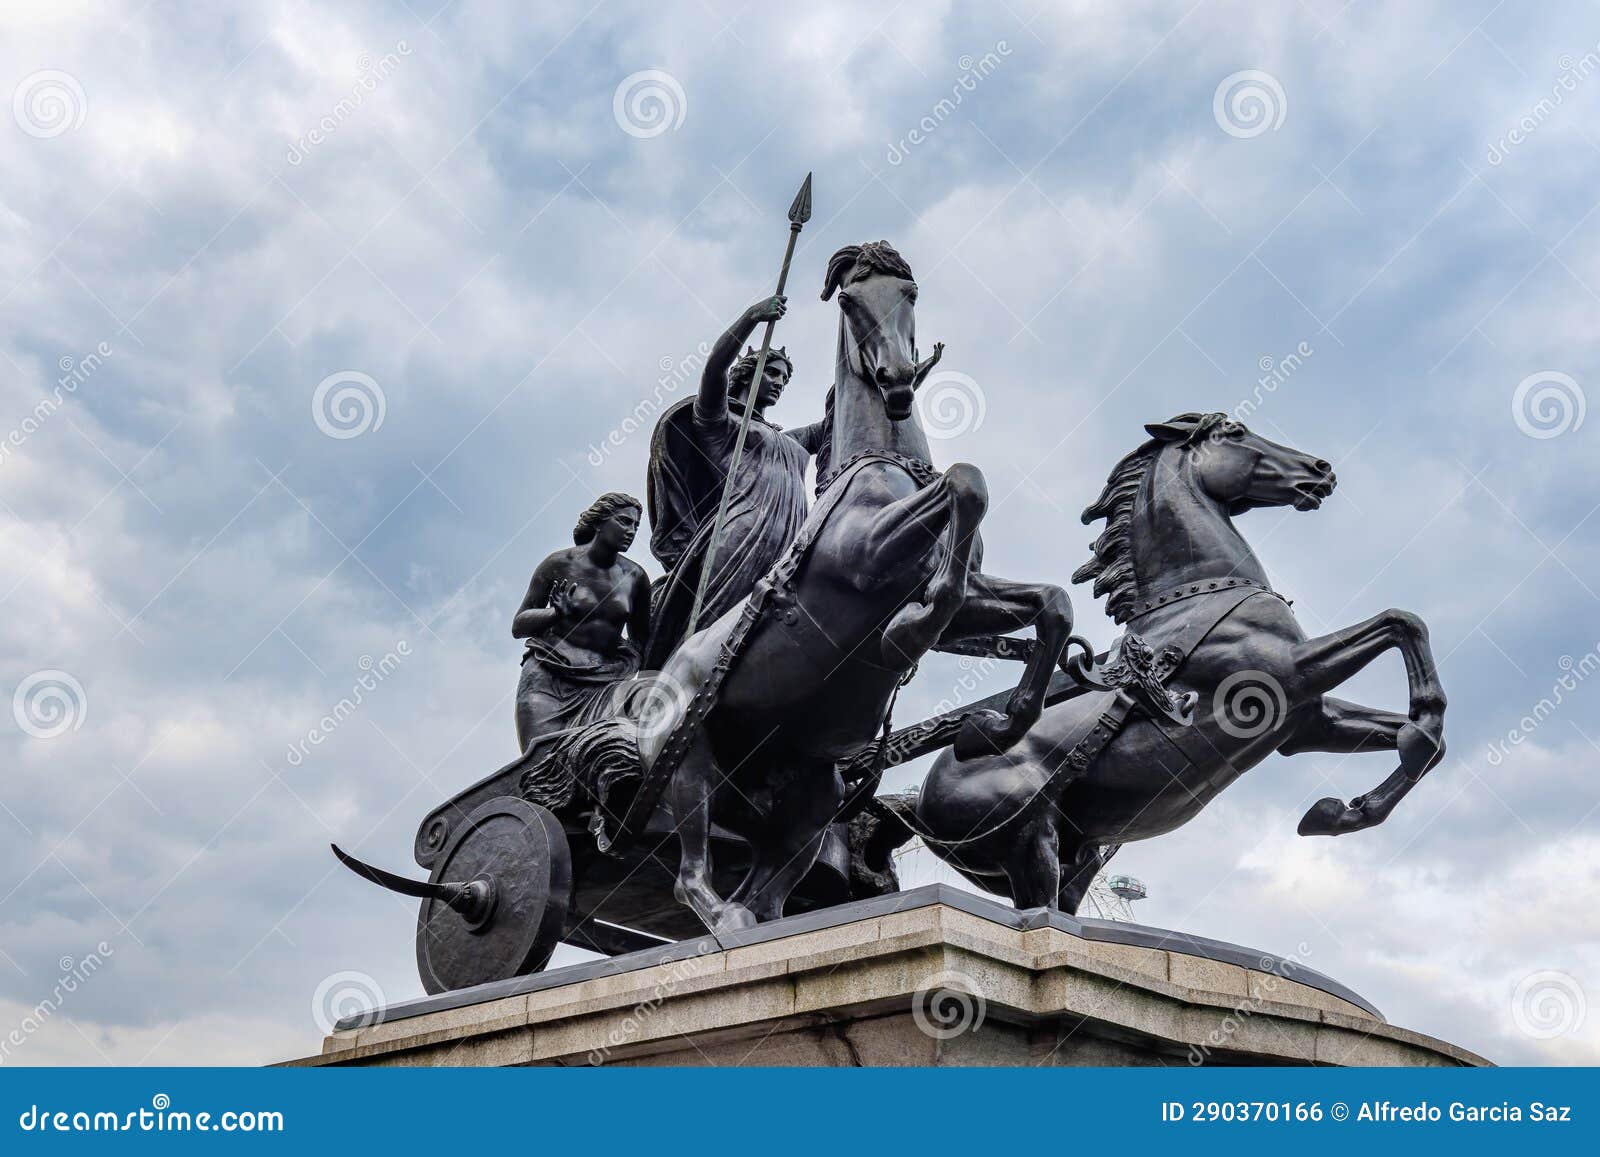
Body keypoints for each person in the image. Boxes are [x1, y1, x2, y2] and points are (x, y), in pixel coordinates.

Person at [644, 295, 826, 668]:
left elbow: (840, 420)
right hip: (741, 536)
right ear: (746, 374)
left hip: (793, 540)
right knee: (711, 636)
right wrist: (751, 317)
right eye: (772, 373)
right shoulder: (723, 425)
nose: (779, 382)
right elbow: (714, 370)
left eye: (784, 378)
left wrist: (889, 377)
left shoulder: (788, 440)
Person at [512, 493, 652, 753]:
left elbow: (643, 641)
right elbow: (519, 626)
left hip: (604, 684)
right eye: (624, 521)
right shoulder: (558, 564)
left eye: (635, 525)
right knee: (541, 760)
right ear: (599, 522)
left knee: (608, 758)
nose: (631, 531)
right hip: (548, 678)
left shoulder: (636, 578)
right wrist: (554, 614)